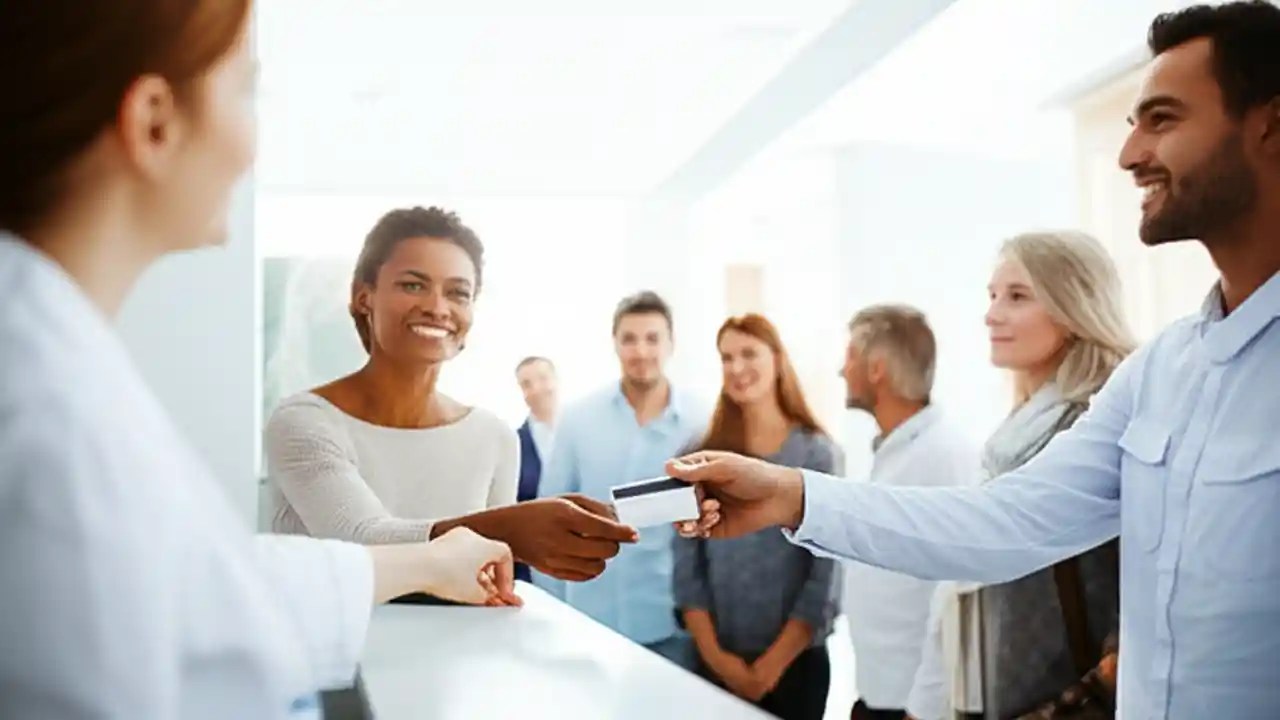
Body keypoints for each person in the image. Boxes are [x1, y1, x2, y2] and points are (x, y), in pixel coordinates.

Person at [671, 4, 1280, 717]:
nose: (1129, 154)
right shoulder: (1161, 371)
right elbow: (1005, 523)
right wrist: (792, 495)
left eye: (1164, 119)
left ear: (1270, 125)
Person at [0, 3, 520, 718]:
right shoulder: (45, 404)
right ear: (155, 120)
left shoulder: (62, 360)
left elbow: (200, 585)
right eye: (246, 92)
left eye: (457, 291)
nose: (251, 146)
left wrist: (431, 561)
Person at [266, 208, 636, 584]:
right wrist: (508, 529)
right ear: (364, 296)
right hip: (329, 643)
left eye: (458, 293)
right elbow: (360, 541)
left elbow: (492, 578)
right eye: (413, 285)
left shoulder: (494, 437)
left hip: (463, 643)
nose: (437, 308)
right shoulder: (303, 422)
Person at [904, 231, 1132, 720]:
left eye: (1017, 296)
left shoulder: (1095, 427)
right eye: (992, 296)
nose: (992, 314)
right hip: (999, 693)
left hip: (1065, 701)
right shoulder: (1016, 431)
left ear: (1074, 309)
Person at [674, 314, 843, 720]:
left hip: (796, 667)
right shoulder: (701, 451)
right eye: (726, 357)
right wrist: (719, 662)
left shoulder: (818, 454)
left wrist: (767, 671)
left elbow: (824, 578)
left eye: (749, 353)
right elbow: (686, 570)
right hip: (714, 664)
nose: (736, 368)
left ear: (777, 359)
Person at [536, 291, 707, 667]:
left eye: (652, 338)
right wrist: (555, 616)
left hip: (674, 629)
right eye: (629, 339)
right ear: (614, 344)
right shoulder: (578, 419)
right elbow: (546, 520)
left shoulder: (703, 421)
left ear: (671, 344)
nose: (641, 351)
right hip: (587, 626)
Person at [832, 306, 978, 720]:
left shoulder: (945, 454)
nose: (841, 371)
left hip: (914, 707)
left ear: (876, 369)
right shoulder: (896, 449)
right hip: (879, 694)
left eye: (849, 358)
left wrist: (925, 707)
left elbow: (954, 591)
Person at [514, 355, 560, 581]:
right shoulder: (513, 445)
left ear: (556, 380)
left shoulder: (585, 435)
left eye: (542, 378)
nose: (537, 389)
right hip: (533, 566)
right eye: (526, 384)